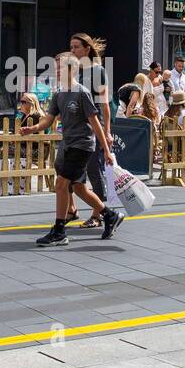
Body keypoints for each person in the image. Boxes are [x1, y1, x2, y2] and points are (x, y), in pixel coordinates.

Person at [21, 53, 123, 246]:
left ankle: (59, 231)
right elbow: (48, 119)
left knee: (61, 183)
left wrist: (107, 151)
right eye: (56, 68)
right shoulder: (59, 94)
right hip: (68, 145)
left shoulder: (82, 92)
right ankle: (110, 215)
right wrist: (32, 129)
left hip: (83, 145)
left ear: (72, 69)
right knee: (78, 188)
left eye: (60, 68)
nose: (57, 71)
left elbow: (95, 122)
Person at [71, 33, 112, 230]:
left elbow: (105, 105)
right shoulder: (77, 72)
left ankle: (98, 214)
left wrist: (107, 132)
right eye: (71, 47)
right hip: (79, 126)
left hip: (94, 125)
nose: (73, 51)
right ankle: (72, 208)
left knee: (94, 171)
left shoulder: (98, 71)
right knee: (70, 170)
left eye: (76, 47)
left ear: (87, 49)